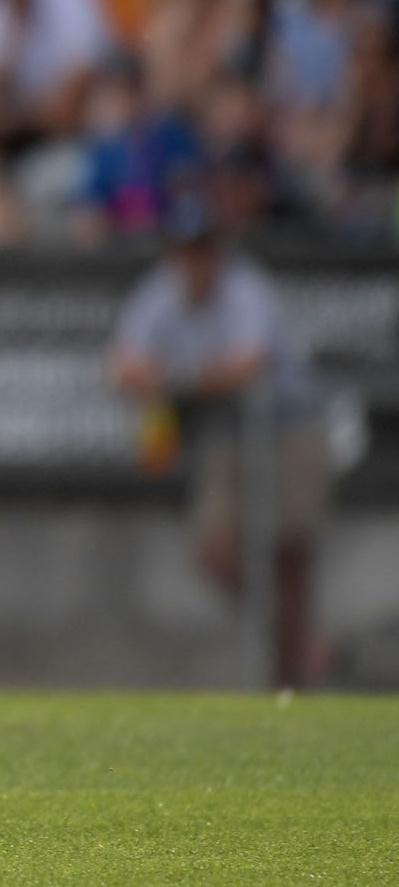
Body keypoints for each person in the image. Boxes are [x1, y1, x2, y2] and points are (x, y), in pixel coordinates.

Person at [109, 199, 328, 687]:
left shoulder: (246, 288)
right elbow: (122, 364)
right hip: (229, 430)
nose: (195, 261)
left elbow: (250, 364)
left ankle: (291, 675)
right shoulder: (159, 292)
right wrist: (159, 380)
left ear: (218, 250)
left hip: (290, 426)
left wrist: (174, 378)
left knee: (290, 552)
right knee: (216, 550)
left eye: (203, 248)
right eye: (185, 250)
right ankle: (298, 644)